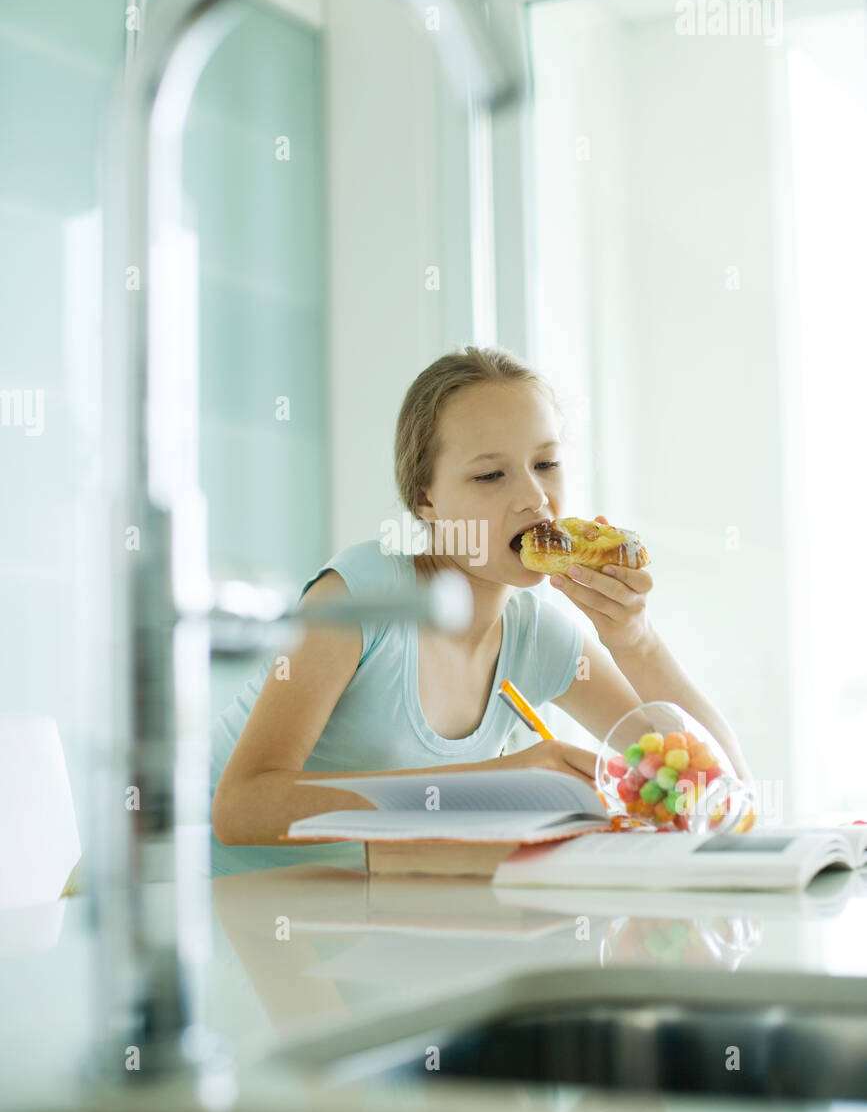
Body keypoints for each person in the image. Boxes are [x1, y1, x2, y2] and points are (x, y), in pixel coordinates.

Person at [209, 345, 751, 875]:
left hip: (377, 915)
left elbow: (722, 794)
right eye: (490, 475)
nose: (535, 499)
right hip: (246, 917)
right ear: (425, 501)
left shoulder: (540, 637)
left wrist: (637, 640)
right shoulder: (363, 598)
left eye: (547, 463)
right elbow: (240, 808)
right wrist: (488, 786)